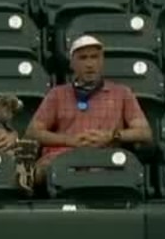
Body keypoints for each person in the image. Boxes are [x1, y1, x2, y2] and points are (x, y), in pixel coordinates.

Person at [26, 36, 154, 175]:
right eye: (83, 58)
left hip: (106, 158)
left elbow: (144, 132)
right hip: (64, 158)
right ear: (72, 63)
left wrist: (111, 136)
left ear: (102, 61)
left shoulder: (122, 93)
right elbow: (32, 133)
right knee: (37, 172)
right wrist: (70, 140)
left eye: (94, 57)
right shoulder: (57, 94)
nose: (89, 64)